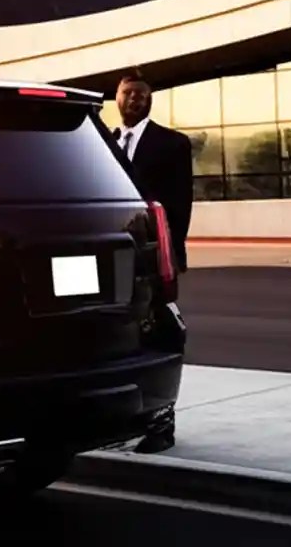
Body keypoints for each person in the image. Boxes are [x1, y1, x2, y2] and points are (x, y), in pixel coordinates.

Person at [111, 70, 193, 454]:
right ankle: (117, 421)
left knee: (158, 335)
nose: (134, 101)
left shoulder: (172, 144)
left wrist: (168, 257)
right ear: (117, 97)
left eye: (141, 95)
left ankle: (162, 426)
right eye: (128, 94)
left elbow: (180, 207)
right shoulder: (105, 144)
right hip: (111, 260)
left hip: (151, 259)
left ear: (150, 100)